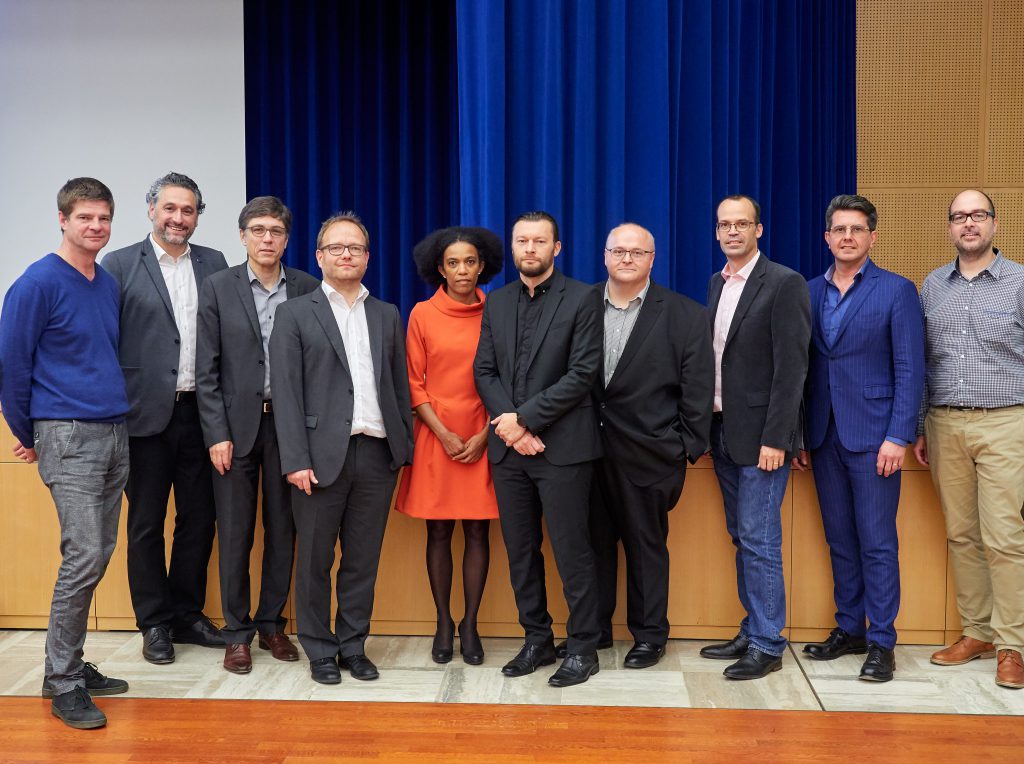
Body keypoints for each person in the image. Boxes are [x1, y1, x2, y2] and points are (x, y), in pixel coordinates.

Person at [0, 177, 129, 728]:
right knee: (83, 555)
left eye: (103, 218)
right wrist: (32, 434)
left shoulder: (105, 283)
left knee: (98, 553)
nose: (95, 227)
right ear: (62, 219)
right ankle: (62, 682)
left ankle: (70, 659)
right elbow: (12, 365)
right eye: (85, 218)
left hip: (113, 431)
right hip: (68, 433)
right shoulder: (36, 283)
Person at [270, 211, 414, 685]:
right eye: (336, 248)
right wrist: (294, 459)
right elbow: (286, 393)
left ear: (368, 258)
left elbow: (397, 386)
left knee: (361, 560)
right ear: (319, 256)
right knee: (314, 560)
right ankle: (320, 649)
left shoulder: (387, 313)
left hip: (375, 454)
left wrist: (402, 449)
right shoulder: (294, 313)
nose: (346, 254)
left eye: (354, 248)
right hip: (316, 457)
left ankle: (353, 645)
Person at [793, 194, 924, 682]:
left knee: (876, 542)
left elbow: (911, 368)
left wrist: (899, 435)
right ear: (827, 237)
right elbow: (802, 370)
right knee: (840, 539)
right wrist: (802, 434)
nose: (847, 237)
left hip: (876, 439)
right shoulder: (807, 291)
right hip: (824, 435)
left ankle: (882, 640)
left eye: (857, 229)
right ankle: (849, 628)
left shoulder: (896, 291)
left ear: (873, 236)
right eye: (839, 230)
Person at [473, 210, 604, 687]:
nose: (529, 249)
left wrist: (523, 419)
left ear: (557, 248)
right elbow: (484, 371)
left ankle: (584, 646)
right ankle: (537, 639)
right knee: (521, 551)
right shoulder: (499, 301)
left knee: (573, 551)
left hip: (563, 449)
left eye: (539, 241)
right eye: (522, 241)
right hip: (510, 452)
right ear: (513, 248)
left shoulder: (585, 297)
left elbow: (582, 373)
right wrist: (511, 429)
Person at [103, 172, 228, 664]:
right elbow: (105, 342)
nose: (179, 218)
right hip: (143, 418)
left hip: (203, 414)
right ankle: (154, 622)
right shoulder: (117, 265)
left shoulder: (215, 264)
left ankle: (187, 613)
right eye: (171, 208)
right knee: (147, 524)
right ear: (152, 210)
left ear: (198, 216)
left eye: (189, 210)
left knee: (200, 520)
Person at [196, 196, 320, 674]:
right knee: (235, 532)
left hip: (290, 428)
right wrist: (215, 434)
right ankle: (237, 632)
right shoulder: (217, 287)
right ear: (243, 236)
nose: (267, 239)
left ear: (287, 239)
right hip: (234, 430)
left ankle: (272, 624)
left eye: (276, 231)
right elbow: (205, 369)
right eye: (258, 230)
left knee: (283, 531)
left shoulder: (309, 287)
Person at [583, 223, 714, 669]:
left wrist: (683, 447)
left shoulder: (684, 314)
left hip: (650, 454)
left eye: (636, 252)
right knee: (590, 545)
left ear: (652, 259)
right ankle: (594, 630)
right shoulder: (579, 307)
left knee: (646, 547)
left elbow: (698, 391)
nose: (626, 258)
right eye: (618, 250)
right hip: (584, 451)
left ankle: (650, 635)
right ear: (604, 256)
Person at [913, 189, 1024, 690]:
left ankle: (1012, 646)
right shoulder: (932, 286)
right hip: (944, 424)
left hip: (1006, 421)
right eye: (959, 217)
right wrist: (919, 425)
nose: (968, 224)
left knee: (1004, 536)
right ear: (950, 228)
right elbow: (922, 362)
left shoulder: (1020, 283)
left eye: (977, 215)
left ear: (995, 225)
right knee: (962, 535)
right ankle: (977, 632)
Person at [701, 194, 811, 679]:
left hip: (763, 438)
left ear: (759, 230)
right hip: (723, 429)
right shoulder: (716, 283)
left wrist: (778, 438)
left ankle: (768, 643)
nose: (732, 232)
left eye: (742, 224)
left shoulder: (784, 283)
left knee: (760, 539)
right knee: (741, 536)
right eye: (724, 224)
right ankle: (752, 626)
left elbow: (793, 370)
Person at [394, 226, 504, 665]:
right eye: (453, 262)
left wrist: (485, 434)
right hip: (435, 435)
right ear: (439, 268)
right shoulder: (422, 314)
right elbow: (412, 381)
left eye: (470, 261)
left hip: (486, 433)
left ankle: (471, 624)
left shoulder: (498, 311)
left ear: (483, 266)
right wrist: (442, 433)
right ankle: (443, 622)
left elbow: (508, 379)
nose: (463, 270)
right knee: (438, 531)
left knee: (478, 529)